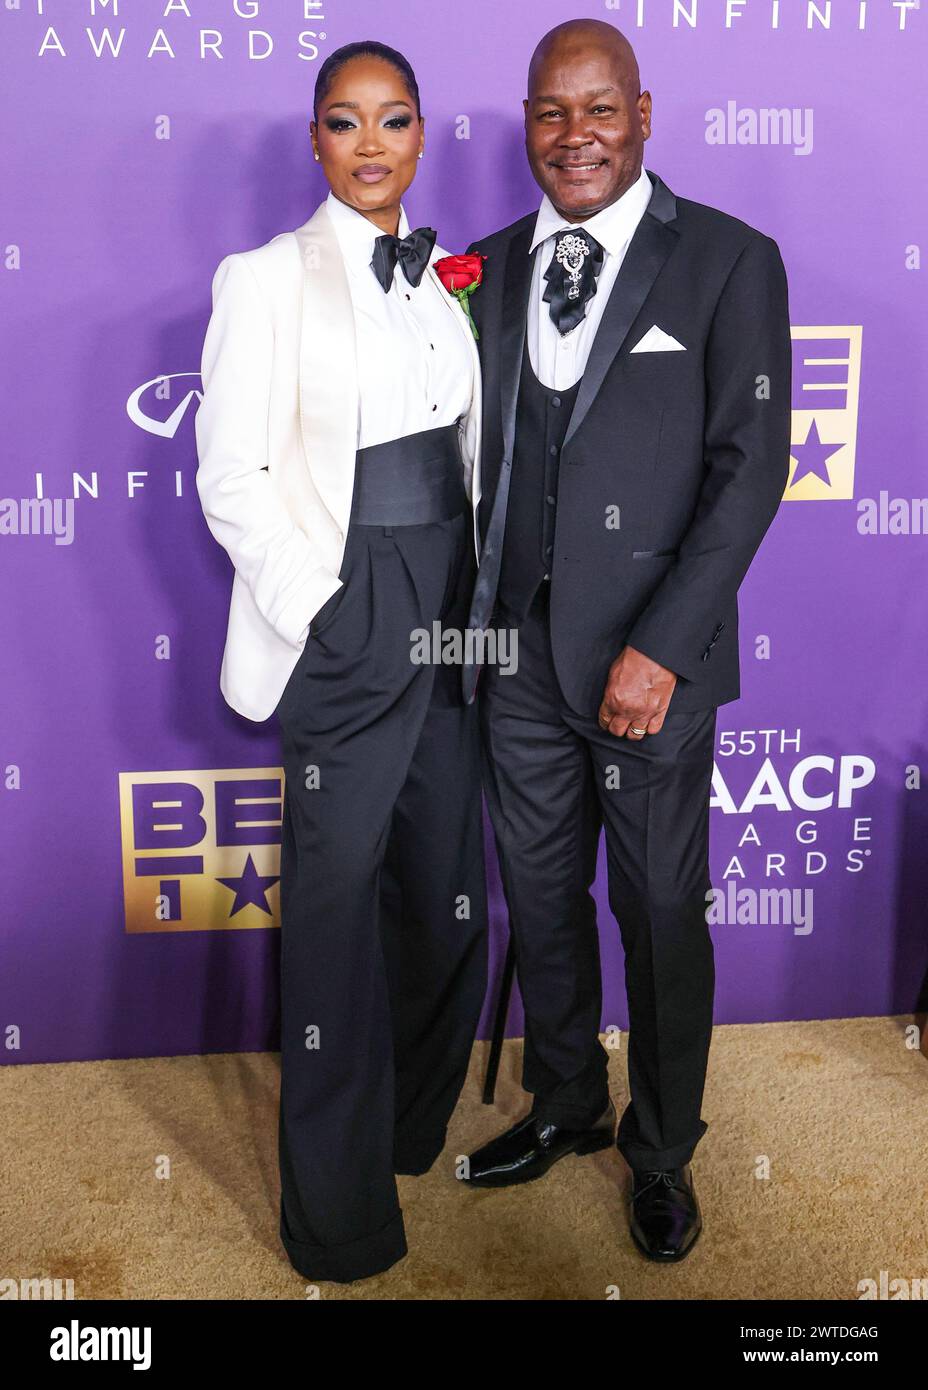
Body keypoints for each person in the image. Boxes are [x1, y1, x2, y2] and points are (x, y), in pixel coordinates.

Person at [461, 19, 791, 1263]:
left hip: (651, 665)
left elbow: (748, 472)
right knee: (540, 901)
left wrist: (660, 643)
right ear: (528, 126)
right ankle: (563, 1104)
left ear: (643, 116)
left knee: (656, 909)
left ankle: (659, 1153)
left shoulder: (725, 259)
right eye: (551, 112)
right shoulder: (483, 270)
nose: (575, 134)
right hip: (517, 665)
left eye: (599, 109)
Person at [194, 40, 488, 1284]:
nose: (371, 144)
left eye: (394, 120)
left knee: (445, 890)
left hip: (458, 602)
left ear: (422, 137)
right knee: (331, 915)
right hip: (350, 604)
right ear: (314, 141)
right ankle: (338, 1213)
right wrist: (326, 601)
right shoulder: (265, 279)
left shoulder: (446, 278)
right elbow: (229, 475)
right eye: (344, 122)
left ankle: (408, 1127)